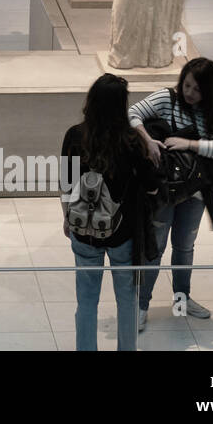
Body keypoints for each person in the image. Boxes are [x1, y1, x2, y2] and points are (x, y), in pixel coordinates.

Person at [130, 57, 213, 332]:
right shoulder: (167, 98)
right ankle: (141, 305)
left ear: (209, 91)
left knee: (185, 246)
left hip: (197, 192)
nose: (189, 93)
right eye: (187, 85)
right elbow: (132, 114)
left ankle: (182, 298)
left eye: (197, 89)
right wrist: (147, 140)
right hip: (165, 191)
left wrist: (189, 144)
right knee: (156, 248)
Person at [61, 74, 160, 351]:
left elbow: (66, 185)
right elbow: (152, 187)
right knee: (127, 300)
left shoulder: (74, 135)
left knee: (86, 303)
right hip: (124, 234)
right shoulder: (132, 141)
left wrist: (67, 217)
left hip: (84, 232)